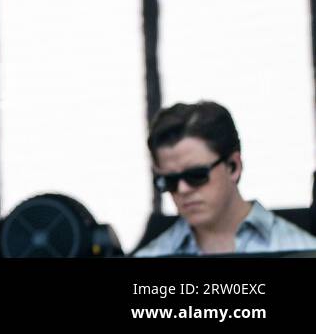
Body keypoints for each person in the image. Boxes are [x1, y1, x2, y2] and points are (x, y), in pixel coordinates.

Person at [133, 100, 316, 256]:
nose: (182, 189)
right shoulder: (150, 256)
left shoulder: (304, 249)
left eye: (196, 175)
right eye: (170, 181)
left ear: (233, 167)